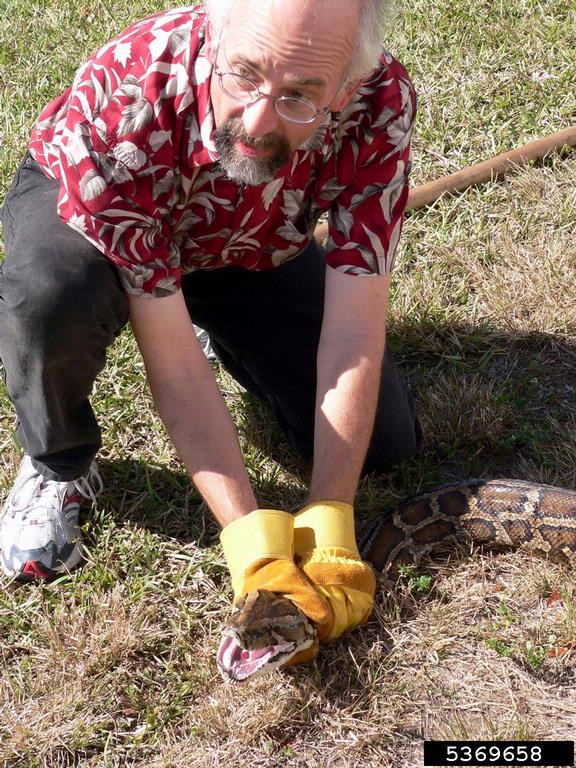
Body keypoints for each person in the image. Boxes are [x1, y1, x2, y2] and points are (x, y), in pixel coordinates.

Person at [0, 0, 419, 653]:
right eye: (244, 75)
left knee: (386, 444)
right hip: (97, 212)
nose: (257, 121)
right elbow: (174, 367)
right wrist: (252, 547)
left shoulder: (381, 104)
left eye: (299, 96)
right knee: (51, 296)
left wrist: (330, 518)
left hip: (253, 235)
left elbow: (353, 334)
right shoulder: (129, 95)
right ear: (216, 36)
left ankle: (221, 322)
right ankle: (59, 460)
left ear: (346, 87)